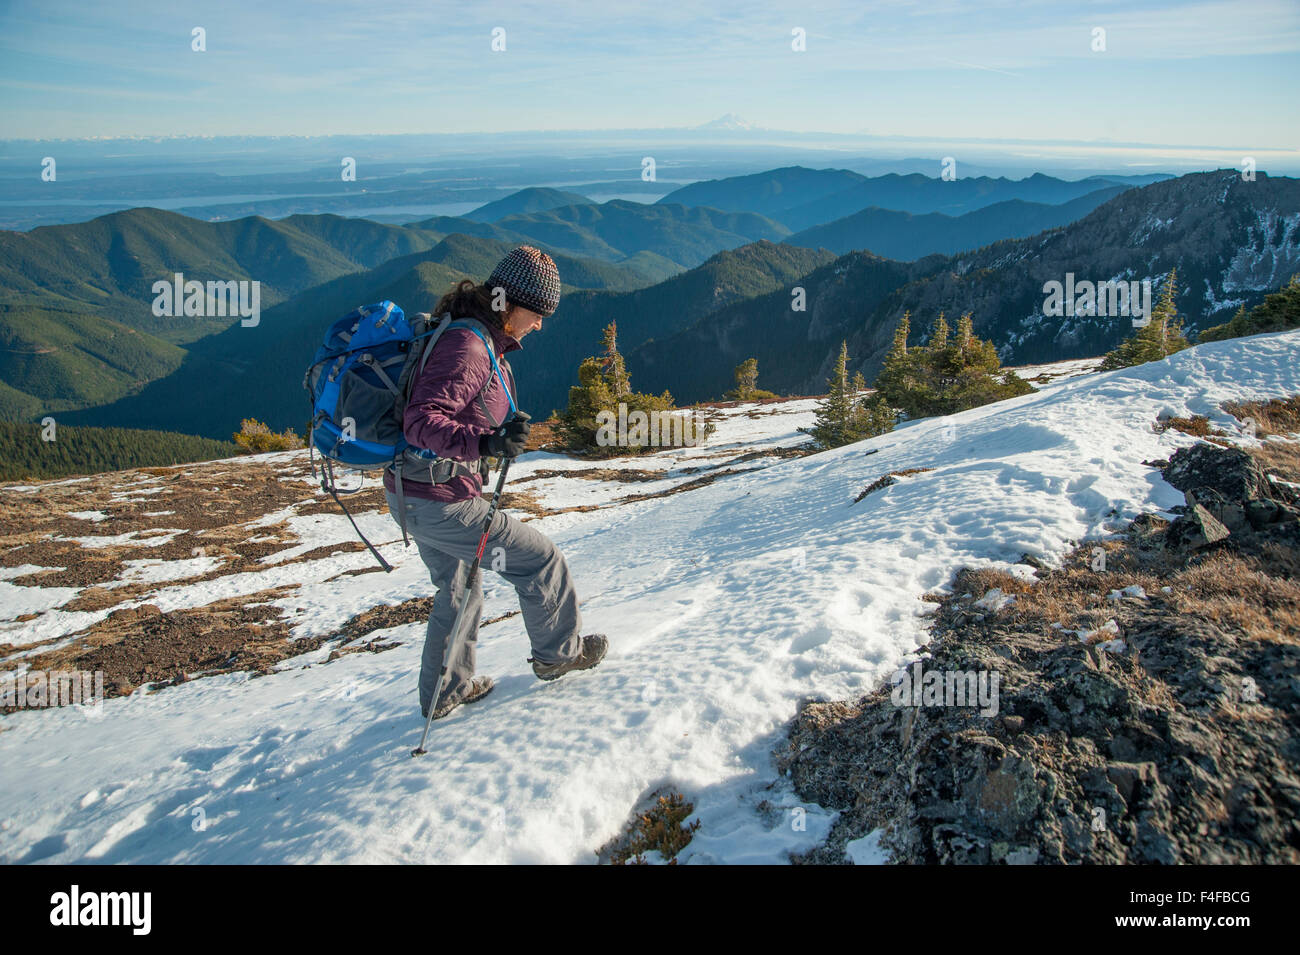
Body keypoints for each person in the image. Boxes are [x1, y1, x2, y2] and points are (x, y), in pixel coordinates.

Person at [384, 246, 607, 719]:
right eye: (539, 313)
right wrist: (484, 444)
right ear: (511, 302)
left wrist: (486, 440)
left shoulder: (470, 334)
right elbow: (420, 421)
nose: (541, 324)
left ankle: (445, 694)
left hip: (413, 493)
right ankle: (558, 657)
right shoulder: (467, 346)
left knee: (459, 588)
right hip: (440, 499)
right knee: (539, 560)